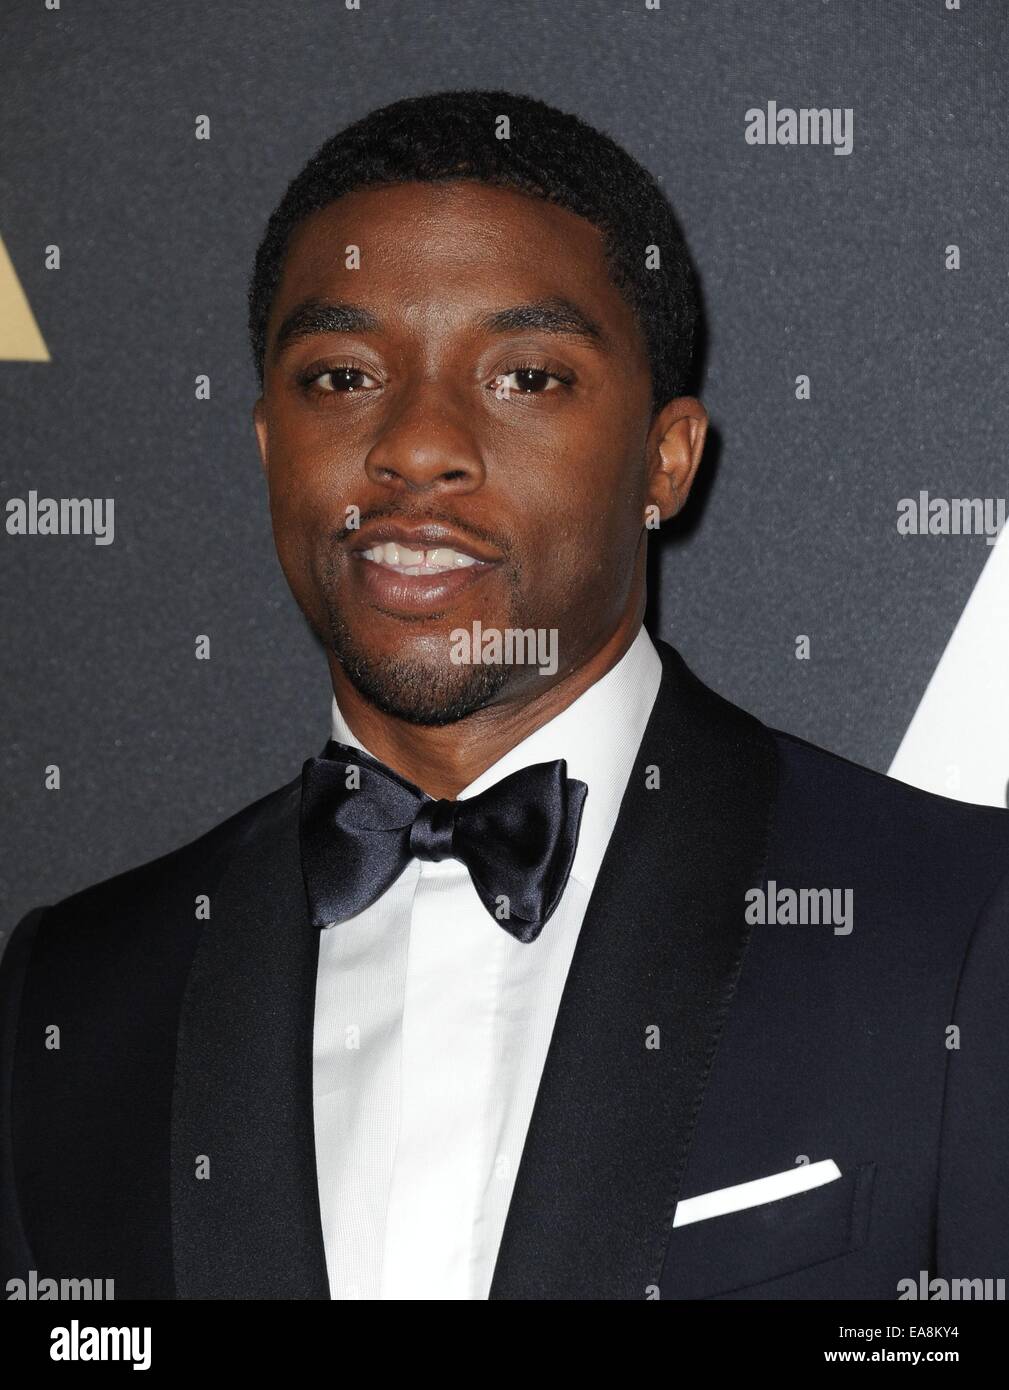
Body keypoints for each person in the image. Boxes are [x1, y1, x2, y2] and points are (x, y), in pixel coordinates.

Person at [3, 88, 1008, 1302]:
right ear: (269, 444)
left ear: (664, 457)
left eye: (527, 374)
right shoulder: (75, 992)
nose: (417, 445)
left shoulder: (956, 927)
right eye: (341, 375)